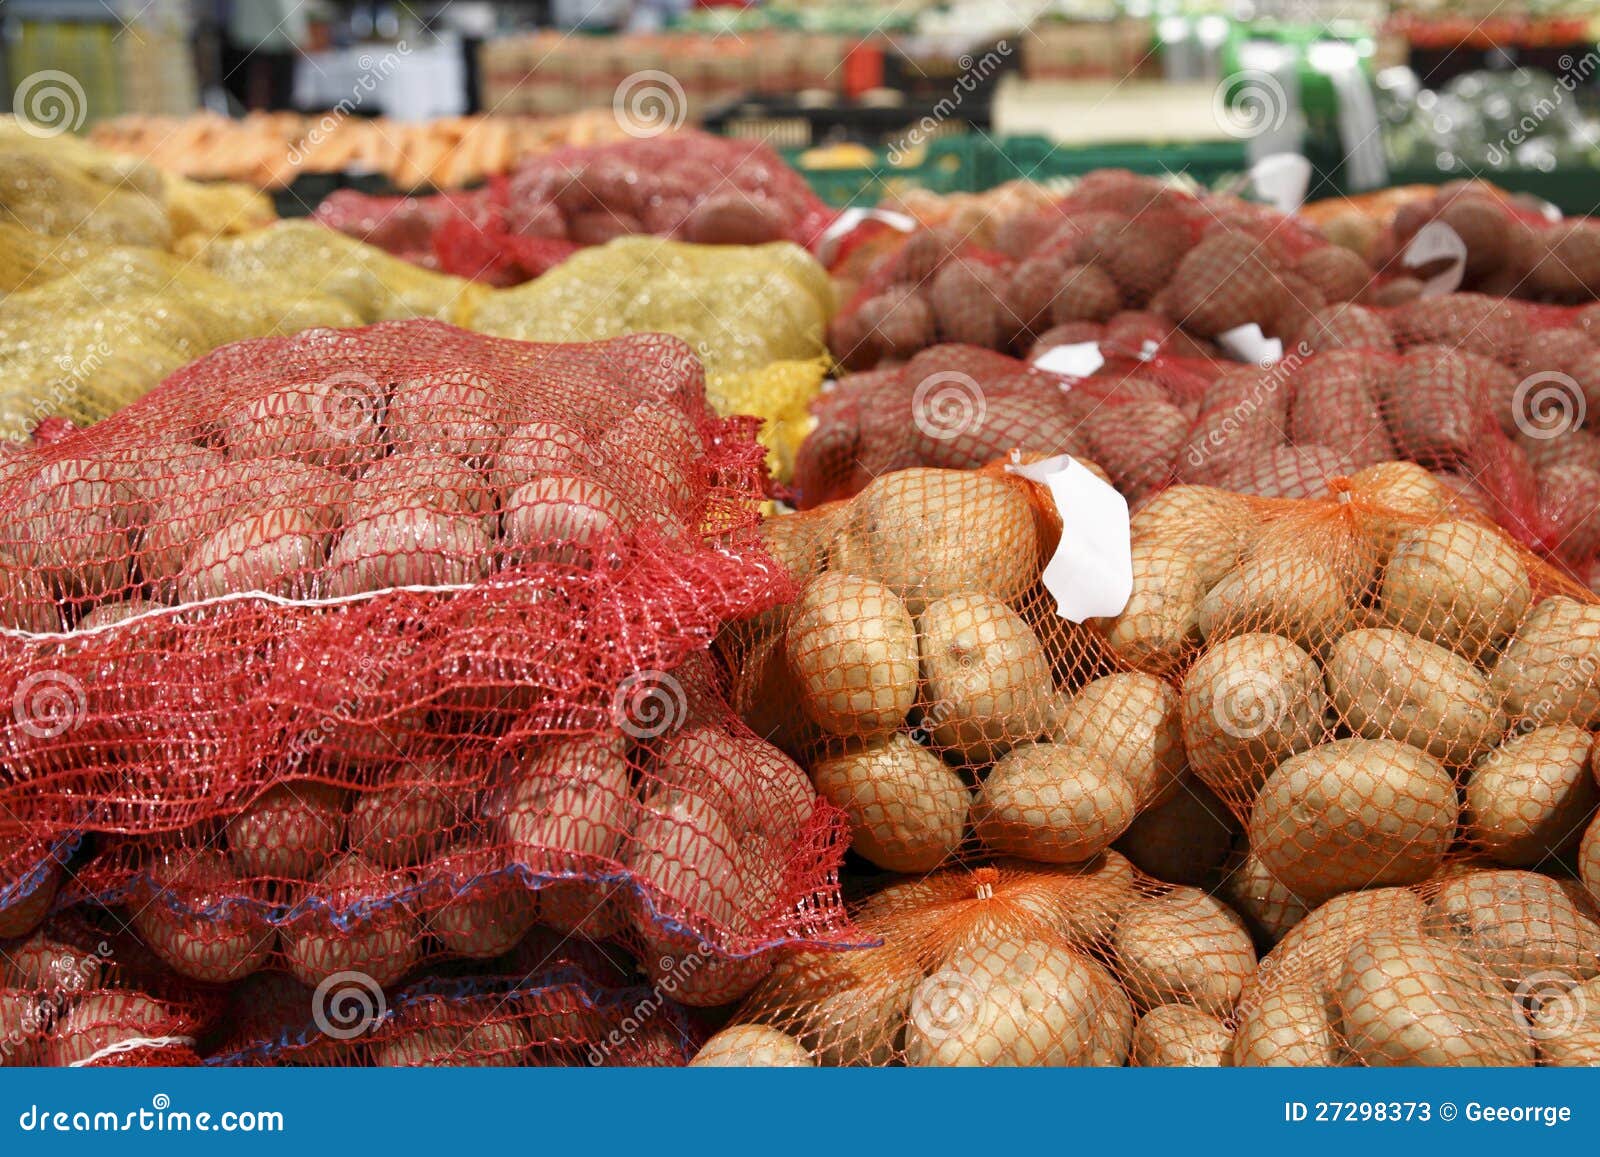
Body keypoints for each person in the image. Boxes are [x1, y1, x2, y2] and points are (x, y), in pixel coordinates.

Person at [222, 0, 308, 110]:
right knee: (274, 102)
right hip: (275, 44)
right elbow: (285, 7)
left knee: (257, 95)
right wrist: (296, 39)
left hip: (249, 39)